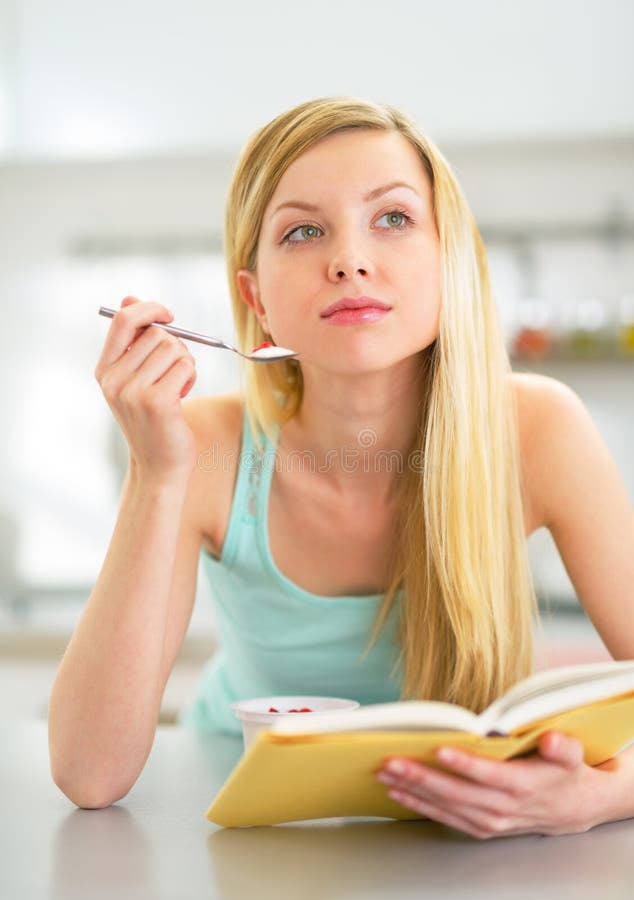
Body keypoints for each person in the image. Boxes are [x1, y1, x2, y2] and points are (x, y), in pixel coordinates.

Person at [48, 96, 634, 838]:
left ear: (448, 257)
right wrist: (157, 476)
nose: (350, 259)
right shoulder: (203, 446)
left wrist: (600, 797)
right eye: (302, 231)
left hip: (464, 839)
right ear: (256, 299)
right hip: (258, 832)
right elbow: (89, 774)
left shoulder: (541, 429)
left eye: (392, 219)